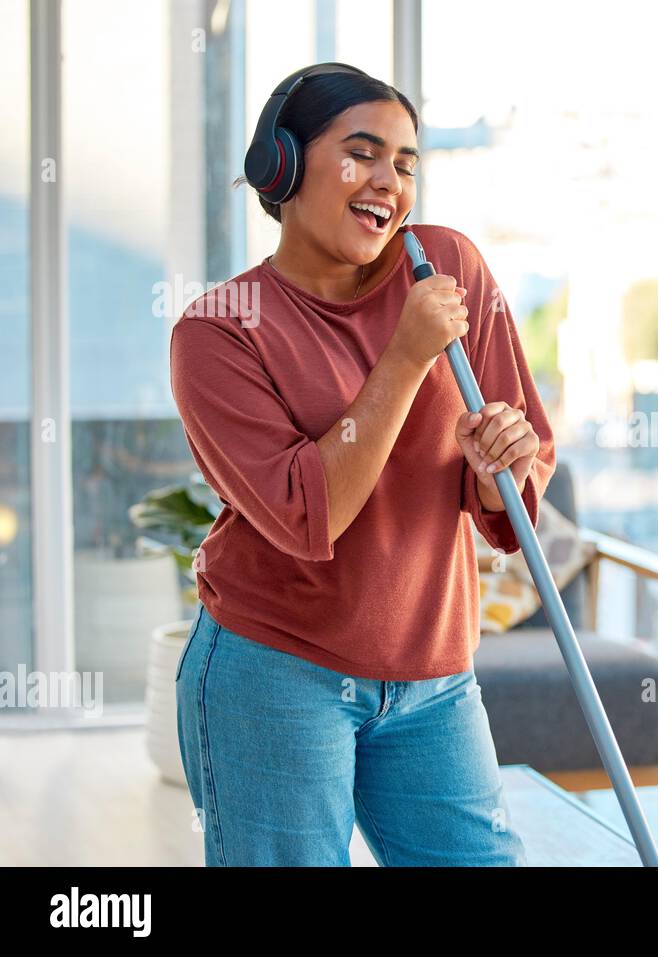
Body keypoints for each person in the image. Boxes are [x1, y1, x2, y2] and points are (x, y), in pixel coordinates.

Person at [170, 64, 555, 866]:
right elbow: (310, 514)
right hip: (275, 672)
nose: (390, 182)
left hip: (434, 675)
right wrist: (405, 358)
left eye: (407, 162)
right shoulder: (218, 332)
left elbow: (514, 479)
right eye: (362, 153)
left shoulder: (446, 269)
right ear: (280, 166)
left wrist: (496, 470)